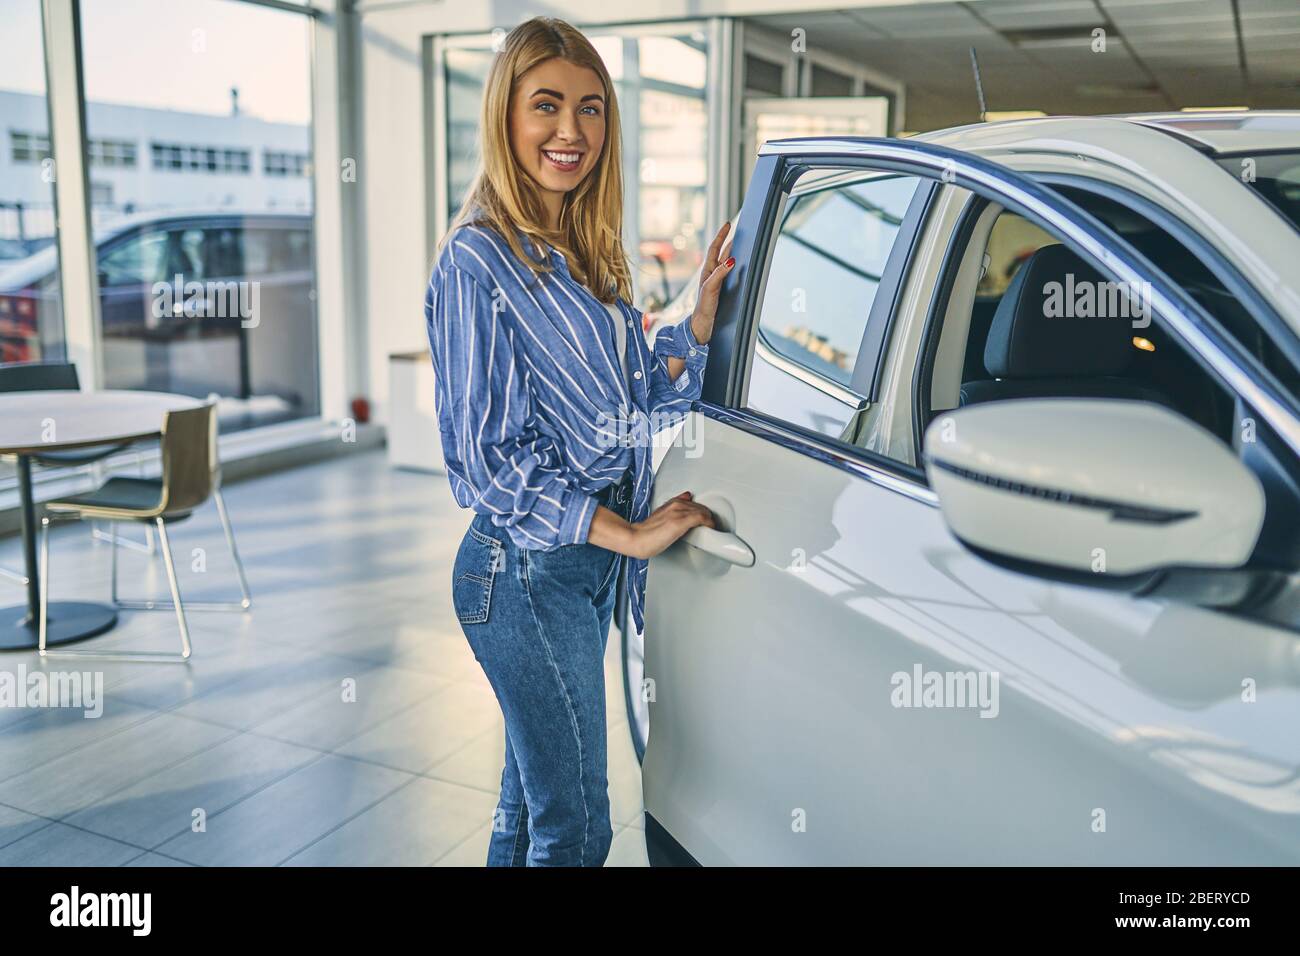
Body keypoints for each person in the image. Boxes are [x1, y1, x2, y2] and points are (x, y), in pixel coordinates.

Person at [423, 16, 734, 866]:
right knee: (579, 827)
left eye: (591, 109)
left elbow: (638, 393)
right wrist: (630, 533)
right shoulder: (475, 264)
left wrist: (699, 325)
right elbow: (487, 462)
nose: (572, 132)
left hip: (581, 569)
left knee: (529, 812)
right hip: (522, 574)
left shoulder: (582, 252)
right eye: (547, 106)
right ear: (505, 117)